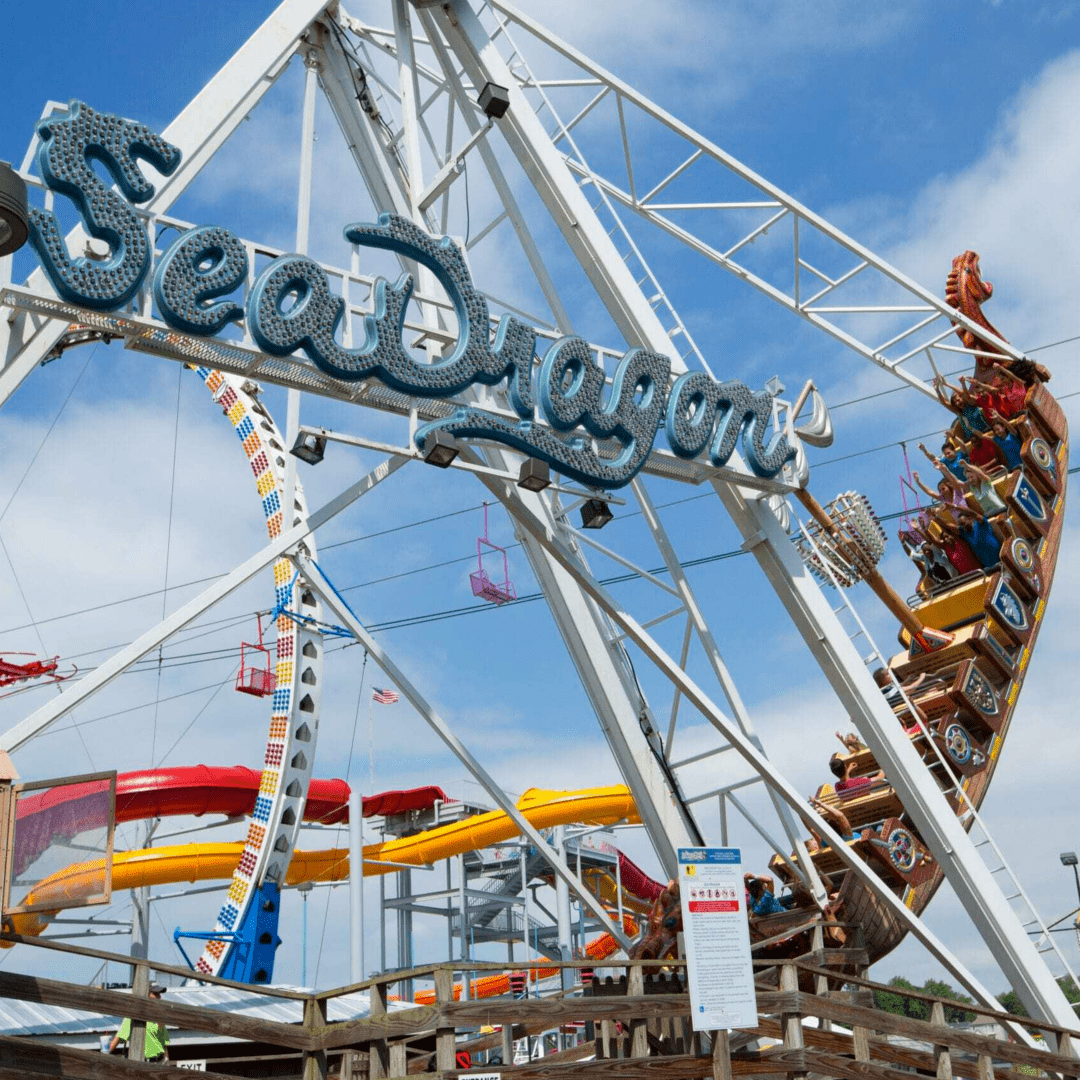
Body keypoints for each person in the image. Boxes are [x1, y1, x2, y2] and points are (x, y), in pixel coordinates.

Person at [108, 984, 169, 1062]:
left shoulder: (158, 1016)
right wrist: (103, 1055)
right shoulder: (132, 1016)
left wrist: (167, 1060)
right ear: (146, 995)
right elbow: (118, 1038)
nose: (159, 997)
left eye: (159, 994)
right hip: (142, 1063)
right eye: (155, 994)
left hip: (159, 1062)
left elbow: (164, 1043)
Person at [937, 507, 1002, 571]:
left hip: (1001, 559)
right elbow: (947, 526)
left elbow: (974, 514)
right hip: (989, 567)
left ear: (970, 519)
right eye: (961, 525)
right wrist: (936, 517)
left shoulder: (980, 524)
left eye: (964, 523)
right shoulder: (965, 533)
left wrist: (954, 506)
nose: (963, 526)